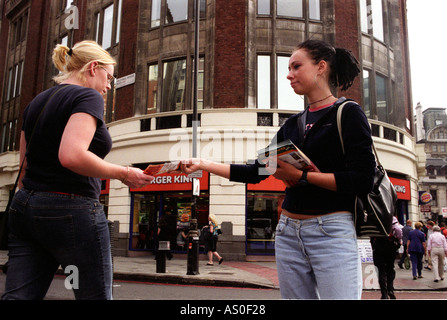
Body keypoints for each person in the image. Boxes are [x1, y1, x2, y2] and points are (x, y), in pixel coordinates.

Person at [181, 39, 376, 299]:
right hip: (288, 233)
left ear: (320, 67)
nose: (289, 74)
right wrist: (203, 164)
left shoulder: (348, 113)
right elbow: (255, 173)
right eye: (289, 68)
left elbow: (363, 180)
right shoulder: (293, 124)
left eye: (296, 66)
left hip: (331, 232)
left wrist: (300, 176)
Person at [1, 41, 154, 300]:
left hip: (25, 207)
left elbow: (23, 166)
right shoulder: (87, 96)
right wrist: (125, 173)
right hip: (71, 209)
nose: (108, 86)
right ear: (93, 68)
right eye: (109, 77)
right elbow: (71, 156)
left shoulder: (36, 102)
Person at [370, 216, 402, 299]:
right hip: (390, 245)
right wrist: (399, 240)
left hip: (378, 246)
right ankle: (390, 289)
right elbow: (397, 229)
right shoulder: (391, 217)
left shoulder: (375, 216)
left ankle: (384, 294)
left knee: (380, 271)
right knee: (390, 268)